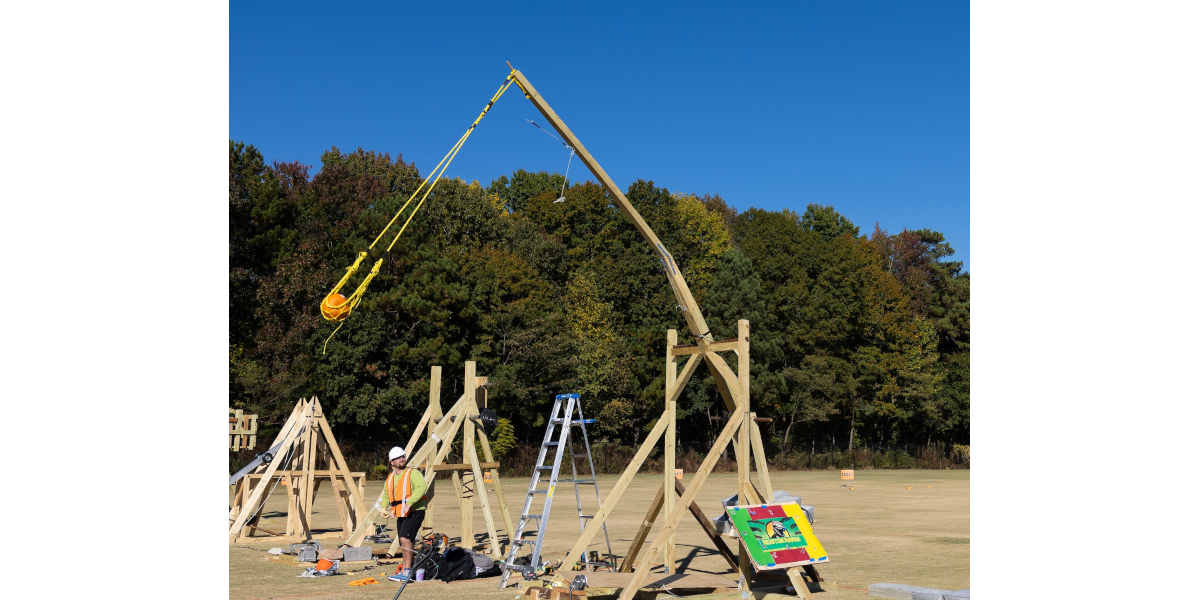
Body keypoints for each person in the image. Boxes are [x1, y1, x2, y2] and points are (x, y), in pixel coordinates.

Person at [375, 446, 428, 582]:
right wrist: (383, 508)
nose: (402, 458)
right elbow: (387, 494)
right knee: (403, 541)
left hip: (415, 510)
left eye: (403, 456)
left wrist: (410, 503)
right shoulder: (391, 477)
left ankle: (408, 571)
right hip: (401, 513)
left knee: (405, 539)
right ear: (392, 462)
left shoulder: (413, 473)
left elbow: (421, 488)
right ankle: (405, 570)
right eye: (398, 458)